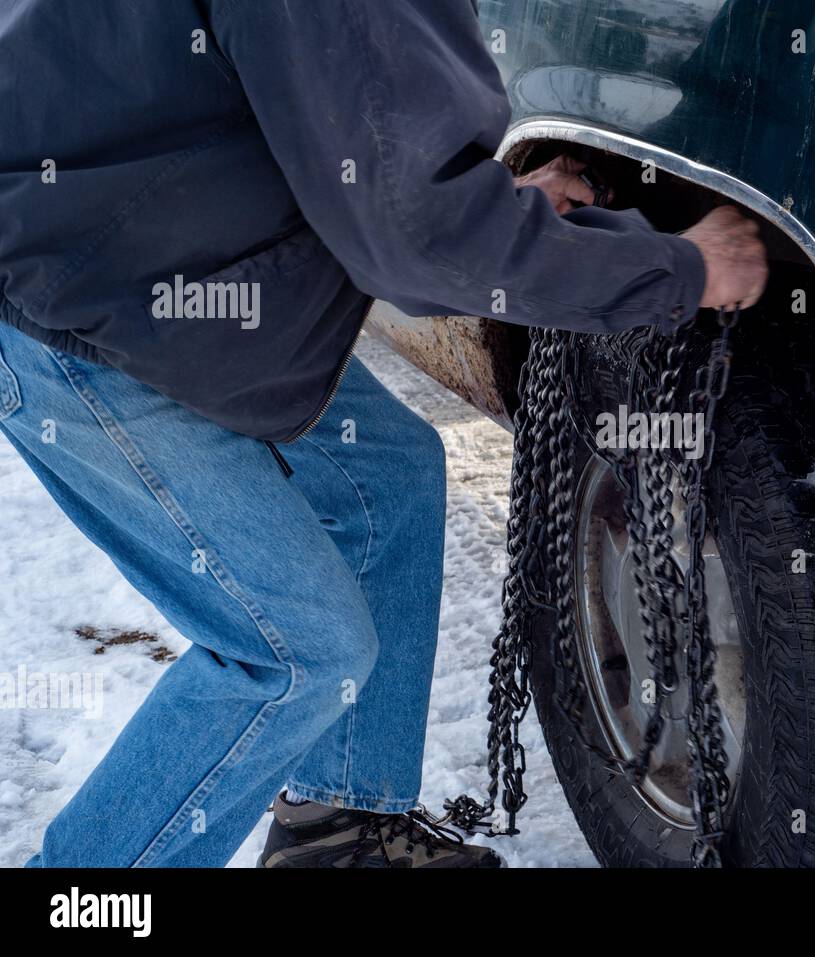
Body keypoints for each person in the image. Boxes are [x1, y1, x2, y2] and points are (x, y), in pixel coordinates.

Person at [0, 0, 767, 867]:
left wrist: (477, 203)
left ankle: (337, 828)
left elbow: (330, 128)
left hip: (157, 269)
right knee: (294, 653)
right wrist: (684, 268)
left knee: (386, 477)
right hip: (80, 309)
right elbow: (417, 239)